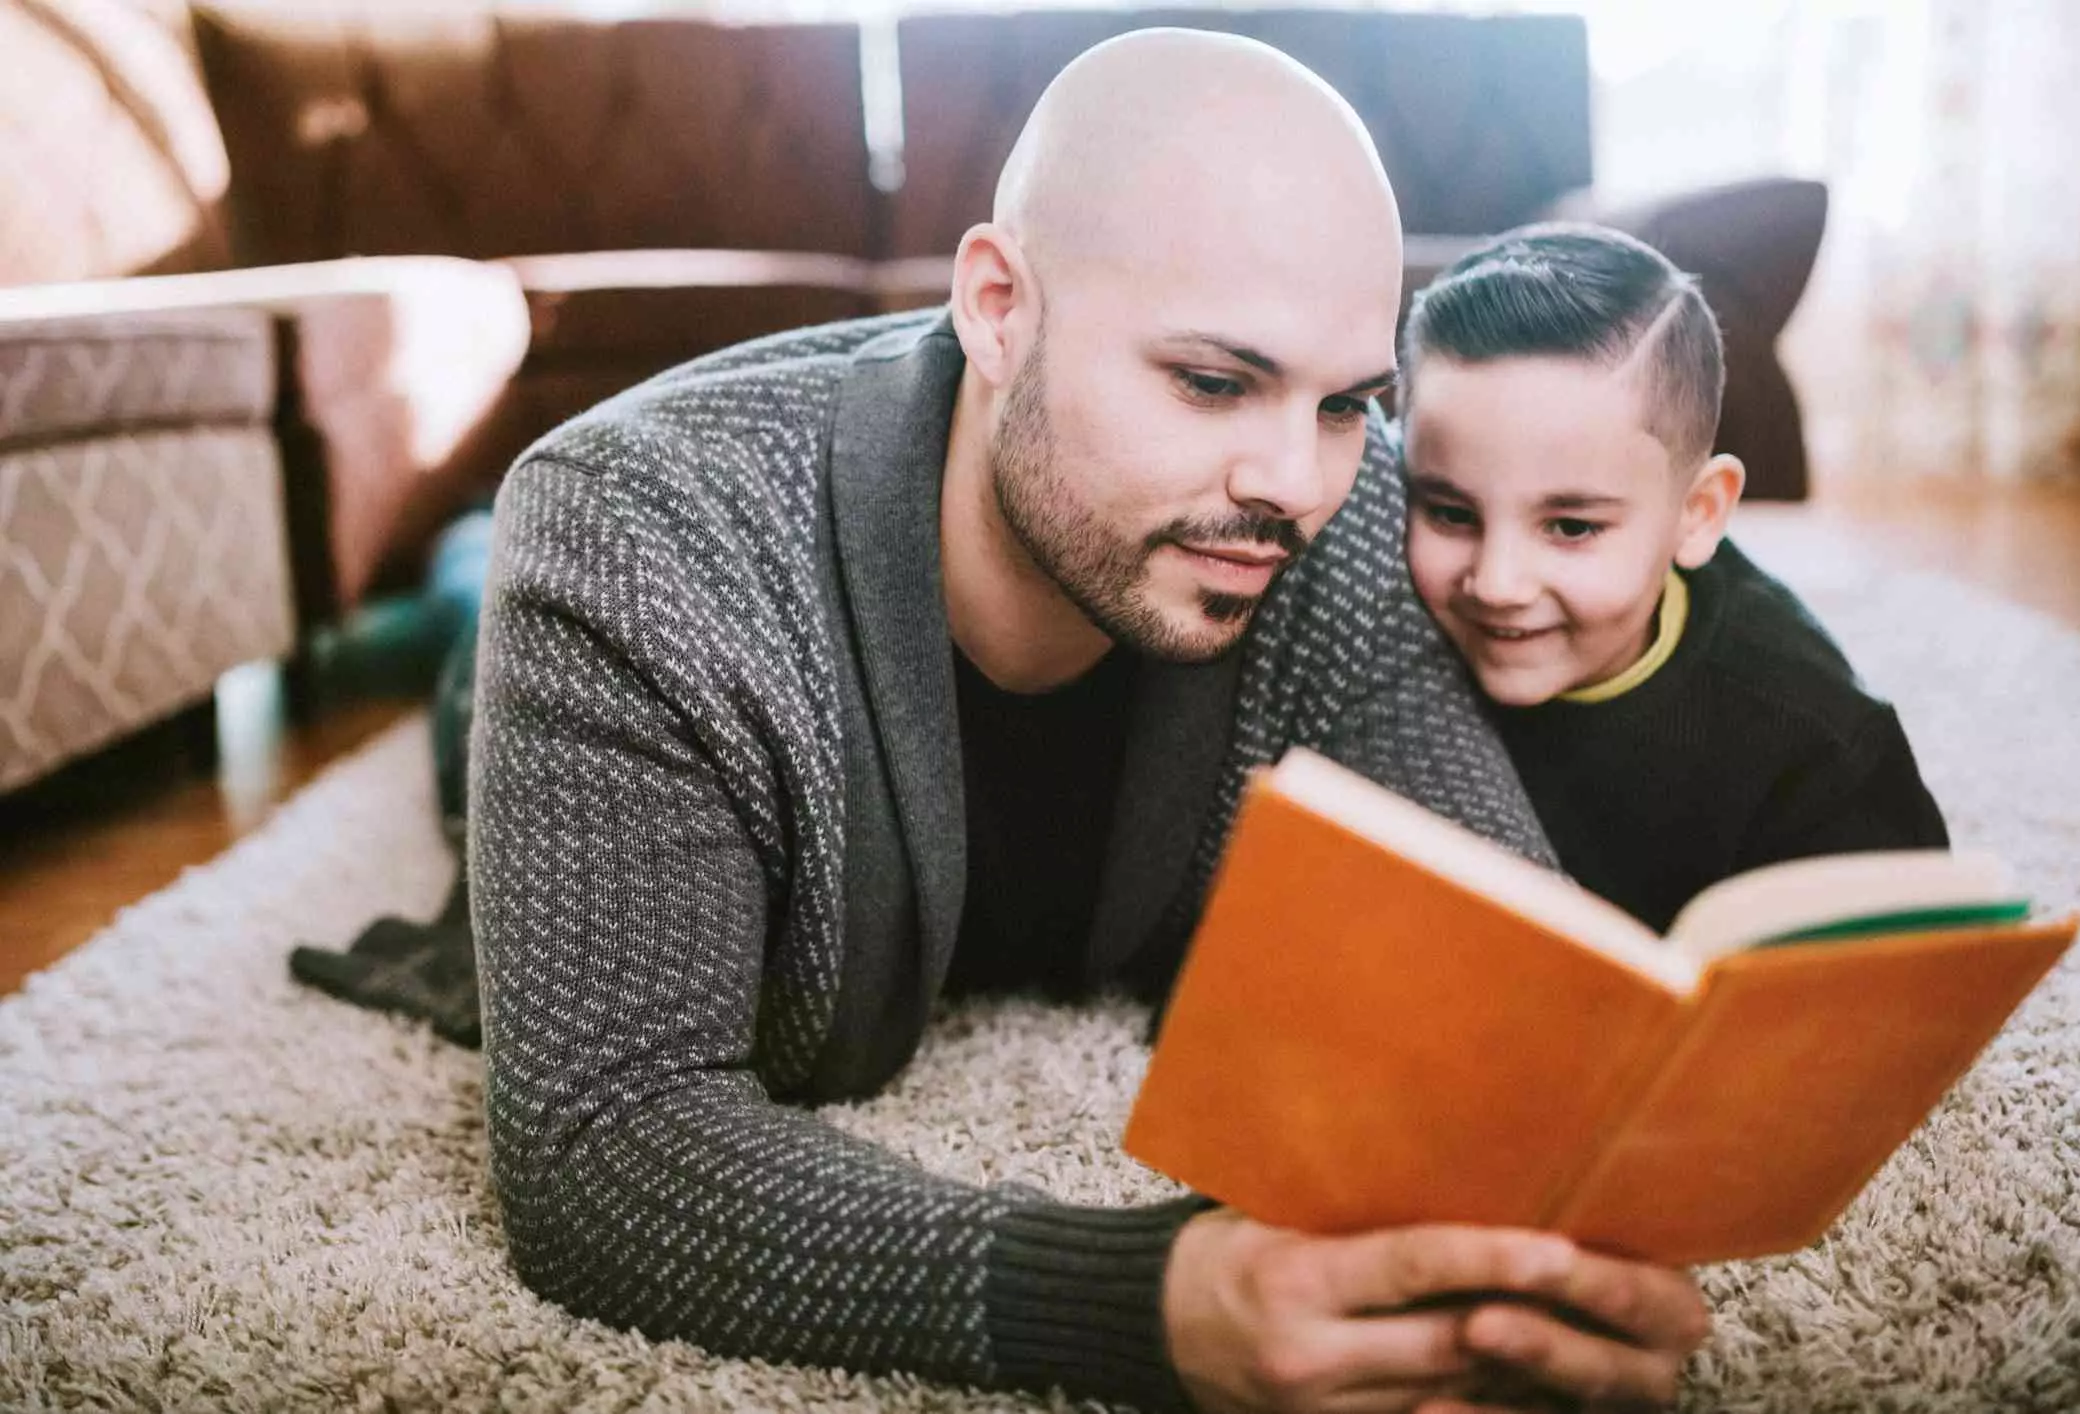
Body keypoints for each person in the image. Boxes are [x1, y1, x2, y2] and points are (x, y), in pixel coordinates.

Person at [468, 32, 1710, 1414]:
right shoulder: (636, 537)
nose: (1293, 482)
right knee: (464, 622)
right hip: (571, 599)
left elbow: (1501, 955)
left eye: (1349, 401)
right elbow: (603, 1139)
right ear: (998, 305)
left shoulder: (1333, 522)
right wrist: (1145, 1298)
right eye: (1212, 382)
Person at [1400, 223, 1948, 932]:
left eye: (1570, 527)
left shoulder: (1810, 733)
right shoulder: (1367, 609)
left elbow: (1913, 959)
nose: (1498, 583)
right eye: (1449, 513)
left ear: (1696, 514)